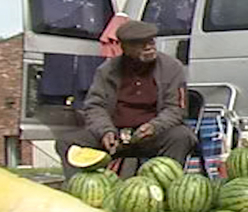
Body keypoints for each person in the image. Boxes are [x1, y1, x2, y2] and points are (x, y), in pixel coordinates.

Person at [54, 19, 196, 177]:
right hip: (115, 135)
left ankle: (167, 186)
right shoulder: (107, 70)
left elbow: (176, 108)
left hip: (152, 135)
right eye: (140, 44)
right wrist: (105, 131)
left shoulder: (171, 68)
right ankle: (81, 188)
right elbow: (95, 106)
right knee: (66, 142)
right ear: (125, 47)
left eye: (151, 41)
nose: (148, 47)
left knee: (182, 136)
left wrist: (154, 127)